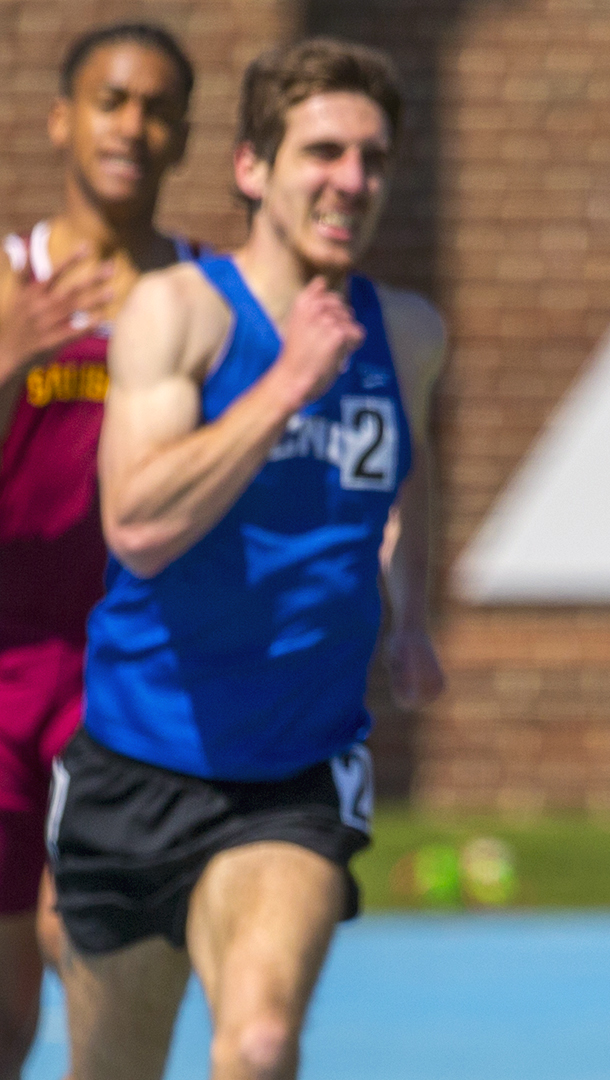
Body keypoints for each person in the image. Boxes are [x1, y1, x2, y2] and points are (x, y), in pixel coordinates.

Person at [47, 38, 445, 1080]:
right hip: (136, 763)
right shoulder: (180, 314)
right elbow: (137, 521)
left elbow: (412, 472)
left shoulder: (404, 333)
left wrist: (411, 612)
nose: (350, 181)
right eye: (322, 152)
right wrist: (284, 388)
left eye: (371, 157)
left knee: (259, 1045)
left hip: (295, 774)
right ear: (252, 168)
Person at [0, 22, 199, 1077]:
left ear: (183, 134)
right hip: (4, 665)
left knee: (76, 931)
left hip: (129, 670)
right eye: (113, 100)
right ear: (61, 118)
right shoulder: (9, 279)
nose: (133, 124)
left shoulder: (206, 294)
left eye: (157, 106)